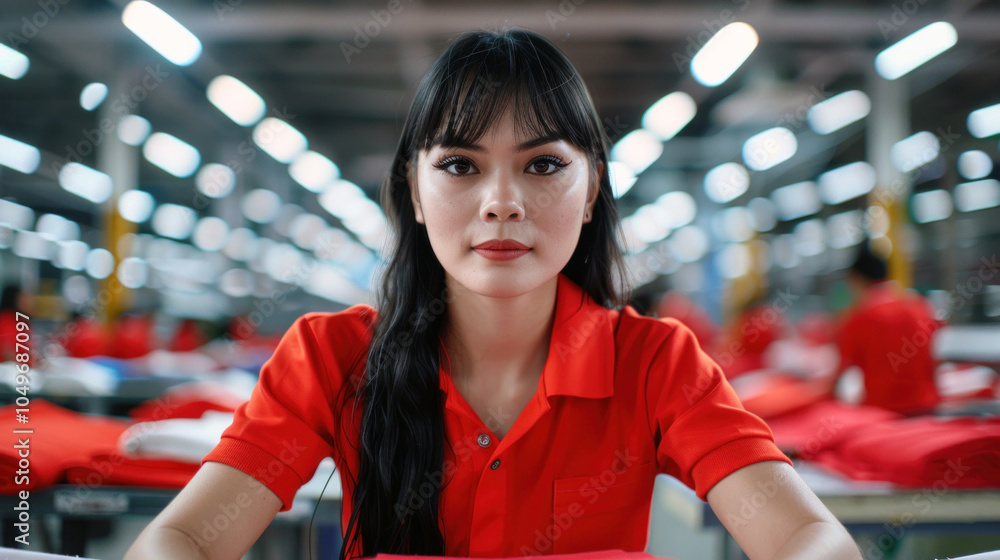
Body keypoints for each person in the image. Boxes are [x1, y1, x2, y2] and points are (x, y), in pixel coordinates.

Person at [126, 29, 860, 560]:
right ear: (413, 190)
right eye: (459, 165)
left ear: (592, 189)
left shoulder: (655, 363)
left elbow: (808, 534)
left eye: (542, 165)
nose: (502, 203)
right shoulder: (330, 357)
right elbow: (182, 537)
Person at [829, 243, 942, 415]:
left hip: (883, 414)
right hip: (928, 409)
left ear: (856, 279)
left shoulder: (858, 318)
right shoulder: (921, 308)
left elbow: (840, 375)